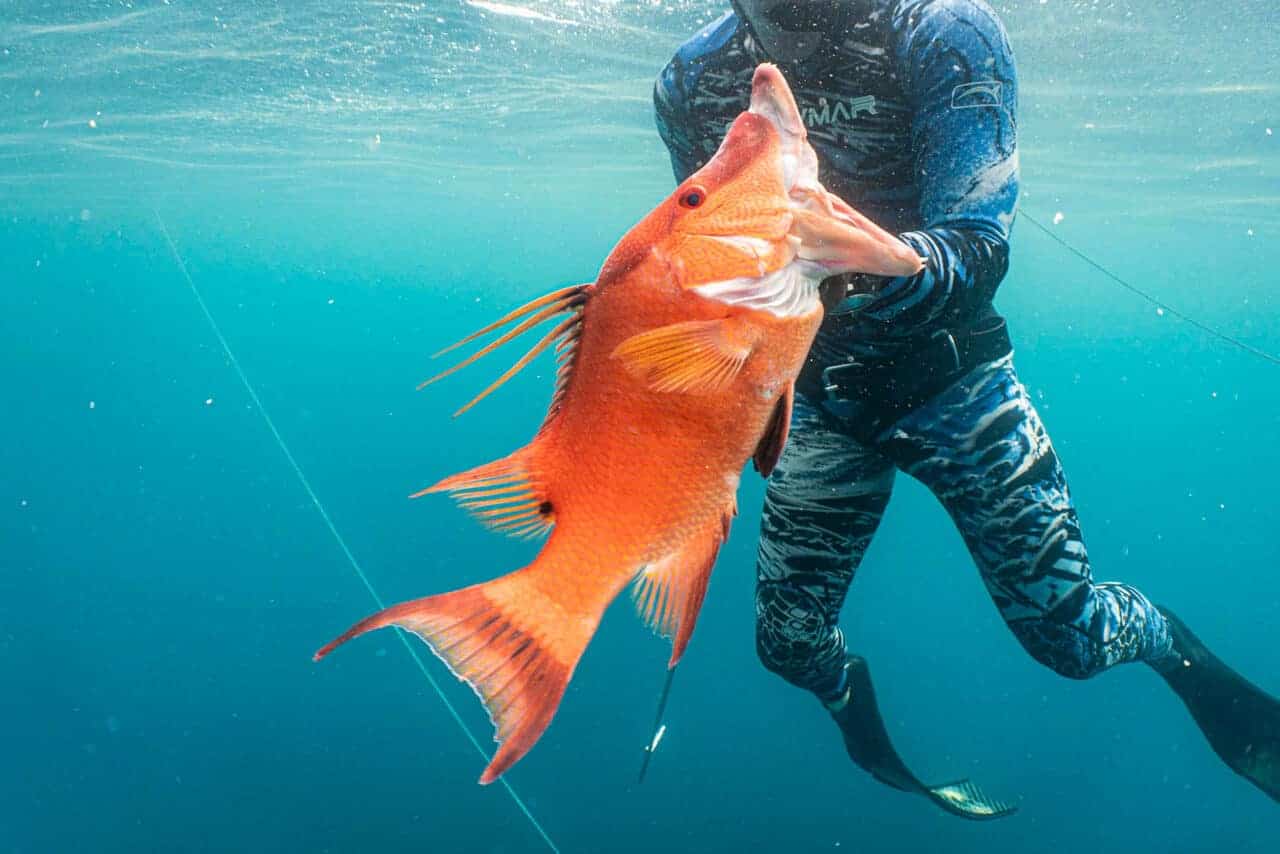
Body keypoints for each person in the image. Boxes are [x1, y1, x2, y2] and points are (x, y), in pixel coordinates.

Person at [653, 0, 1280, 819]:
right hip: (823, 397)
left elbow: (980, 251)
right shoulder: (692, 79)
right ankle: (859, 721)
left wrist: (892, 262)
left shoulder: (943, 33)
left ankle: (1163, 638)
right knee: (788, 646)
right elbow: (708, 257)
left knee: (1074, 640)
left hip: (954, 385)